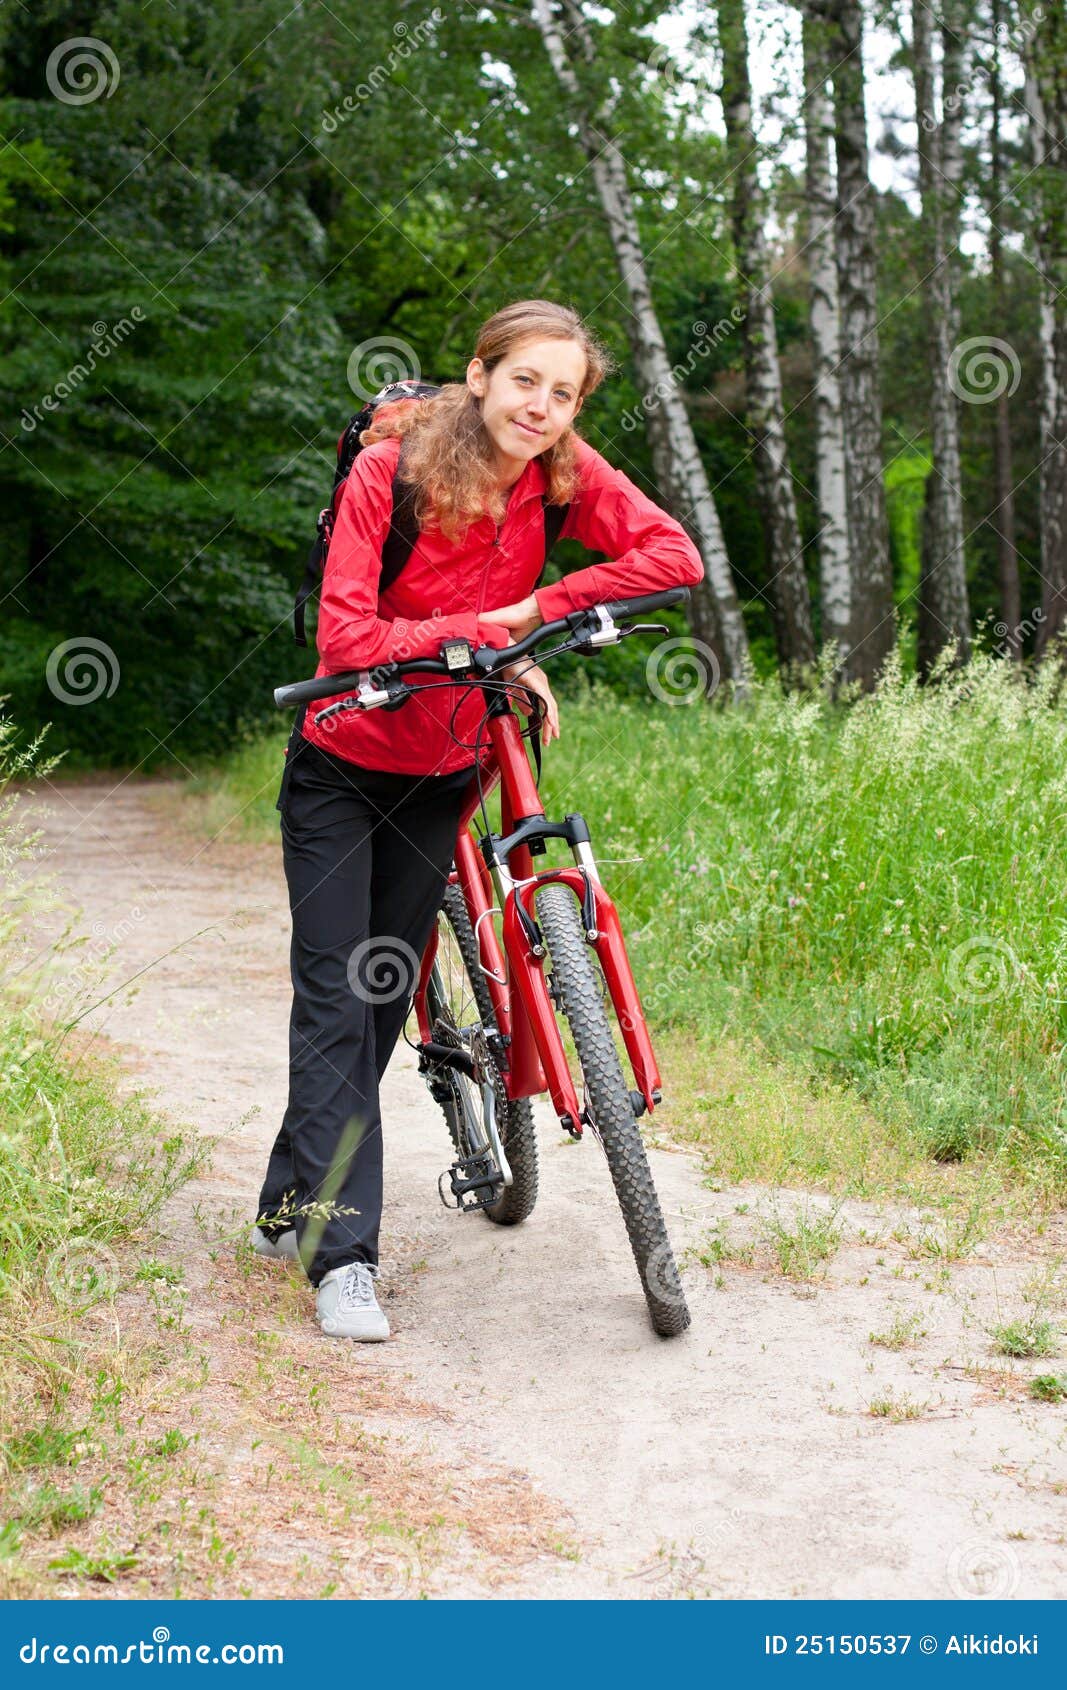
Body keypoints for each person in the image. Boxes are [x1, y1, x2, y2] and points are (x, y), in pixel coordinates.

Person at [252, 298, 704, 1341]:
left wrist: (530, 624)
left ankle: (289, 1197)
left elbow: (671, 556)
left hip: (443, 767)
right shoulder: (392, 475)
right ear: (478, 375)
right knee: (336, 993)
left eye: (563, 391)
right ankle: (343, 1258)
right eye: (523, 381)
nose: (539, 406)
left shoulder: (561, 474)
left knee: (372, 1004)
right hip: (341, 762)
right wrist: (479, 636)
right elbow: (344, 637)